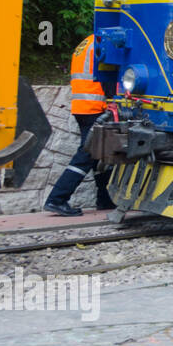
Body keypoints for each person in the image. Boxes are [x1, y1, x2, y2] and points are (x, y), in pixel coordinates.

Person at [44, 35, 115, 216]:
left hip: (83, 105)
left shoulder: (86, 42)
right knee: (87, 154)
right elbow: (106, 75)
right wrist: (113, 100)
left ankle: (105, 199)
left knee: (101, 155)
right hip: (95, 106)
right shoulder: (102, 42)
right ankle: (57, 199)